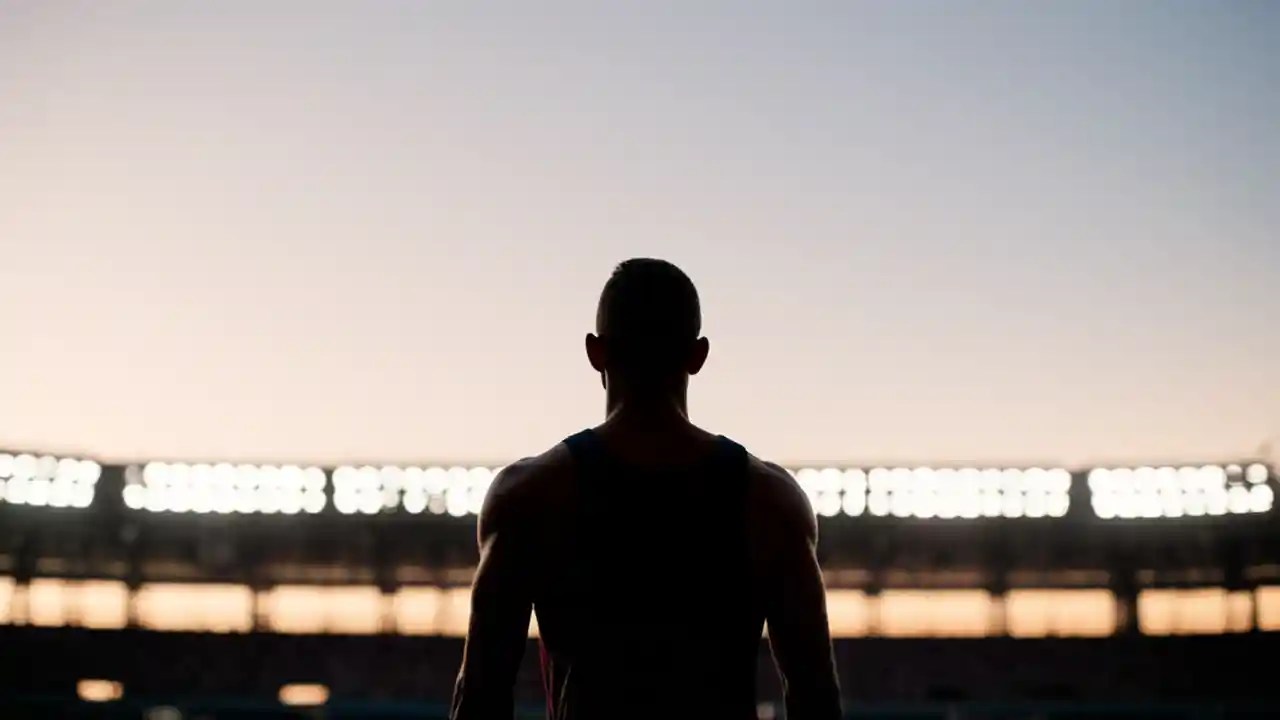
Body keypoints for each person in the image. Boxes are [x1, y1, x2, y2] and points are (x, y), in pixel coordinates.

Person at [450, 258, 841, 719]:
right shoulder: (771, 501)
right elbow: (816, 696)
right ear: (698, 356)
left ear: (595, 352)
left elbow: (481, 694)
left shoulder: (529, 495)